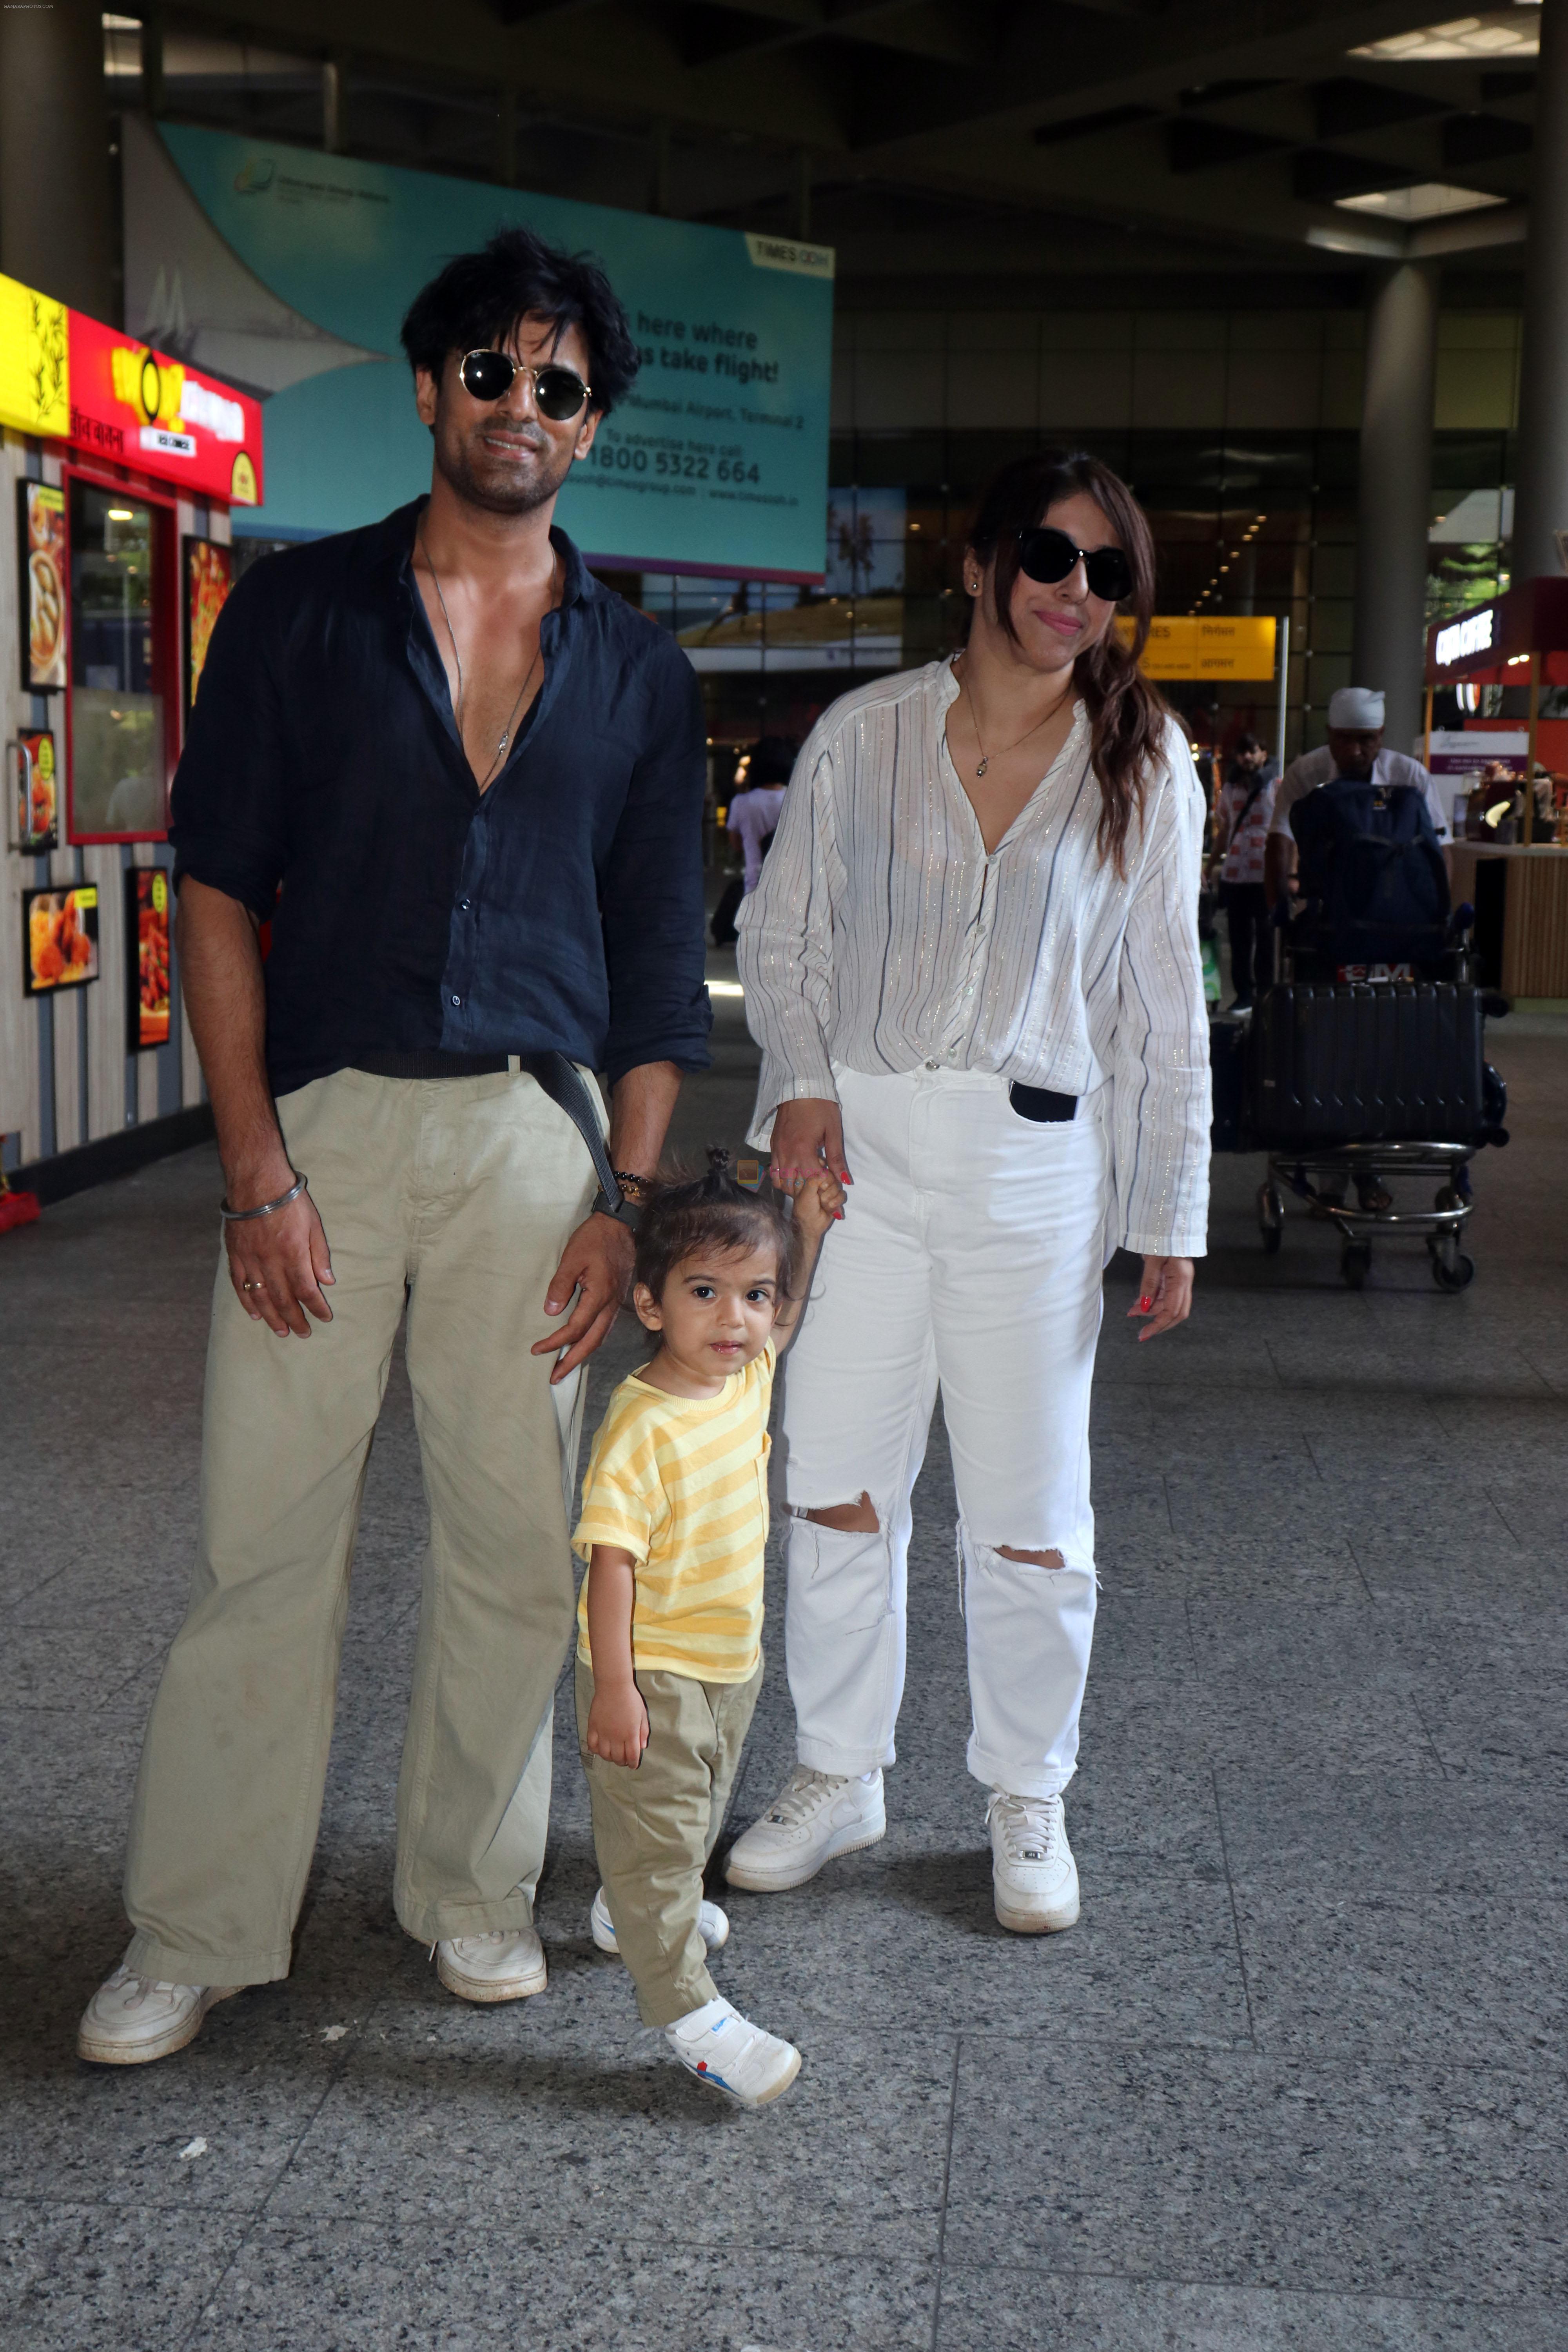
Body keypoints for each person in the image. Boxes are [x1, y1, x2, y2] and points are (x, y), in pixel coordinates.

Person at [77, 226, 711, 2067]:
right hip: (327, 1132)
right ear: (431, 389)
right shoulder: (297, 615)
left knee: (514, 1547)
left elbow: (658, 969)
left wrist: (622, 1201)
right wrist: (253, 1170)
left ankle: (472, 1890)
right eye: (492, 371)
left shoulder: (636, 670)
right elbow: (214, 892)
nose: (523, 404)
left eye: (558, 384)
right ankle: (196, 1924)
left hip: (534, 1141)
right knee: (262, 1539)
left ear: (588, 428)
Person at [723, 449, 1210, 1935]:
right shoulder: (863, 734)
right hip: (853, 1161)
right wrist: (803, 1081)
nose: (1077, 593)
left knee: (1029, 1507)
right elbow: (782, 935)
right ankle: (837, 1769)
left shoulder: (1145, 762)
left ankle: (1024, 1791)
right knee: (833, 1480)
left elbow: (1161, 1008)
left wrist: (1167, 1211)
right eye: (1051, 557)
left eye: (1107, 573)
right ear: (982, 563)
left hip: (1034, 1171)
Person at [574, 1149, 842, 2107]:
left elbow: (788, 1318)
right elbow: (611, 1564)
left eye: (754, 1295)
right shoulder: (640, 1426)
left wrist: (805, 1229)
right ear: (650, 1304)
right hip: (652, 1669)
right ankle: (690, 2015)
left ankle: (630, 1909)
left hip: (730, 1657)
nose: (737, 1319)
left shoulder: (744, 1374)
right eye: (705, 1292)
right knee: (666, 1827)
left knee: (691, 1815)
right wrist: (616, 1687)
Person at [1264, 685, 1451, 911]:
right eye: (1344, 739)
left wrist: (1439, 912)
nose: (1354, 751)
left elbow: (1439, 850)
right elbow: (1279, 842)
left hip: (1396, 904)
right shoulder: (1305, 774)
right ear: (1329, 734)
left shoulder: (1410, 776)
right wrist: (1279, 909)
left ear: (1381, 735)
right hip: (1328, 907)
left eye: (1365, 740)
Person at [1211, 731, 1279, 1009]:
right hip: (1236, 873)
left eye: (1253, 751)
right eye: (1242, 752)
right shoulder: (1230, 789)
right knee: (1239, 939)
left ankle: (1265, 994)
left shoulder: (1277, 786)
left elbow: (1287, 830)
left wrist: (1290, 871)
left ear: (1264, 754)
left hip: (1265, 874)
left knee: (1266, 936)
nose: (1247, 757)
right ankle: (1244, 995)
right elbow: (1225, 829)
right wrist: (1211, 866)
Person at [728, 735, 794, 894]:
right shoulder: (795, 799)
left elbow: (737, 845)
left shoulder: (741, 803)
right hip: (790, 886)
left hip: (755, 887)